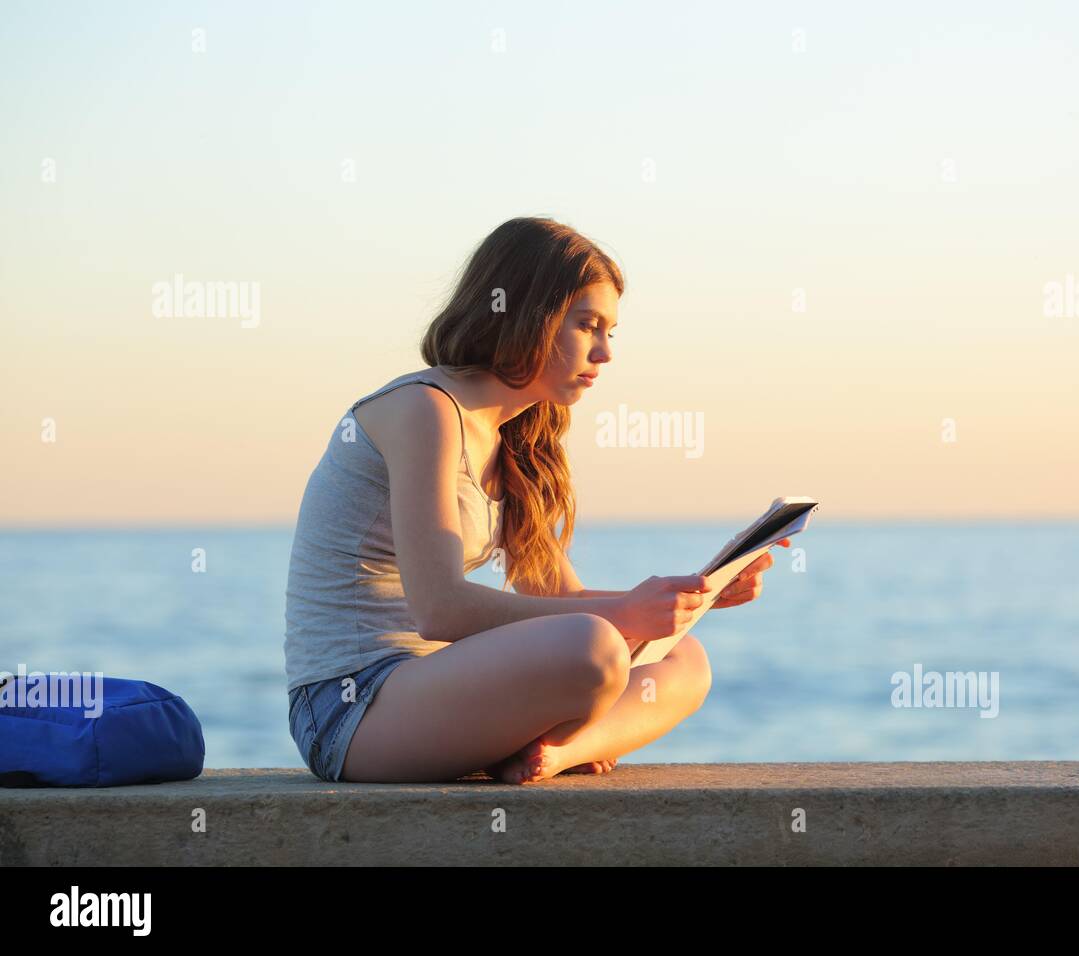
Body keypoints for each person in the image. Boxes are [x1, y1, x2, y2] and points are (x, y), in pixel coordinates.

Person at [284, 216, 784, 785]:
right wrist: (623, 614)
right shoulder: (425, 410)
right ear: (528, 315)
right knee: (594, 647)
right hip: (351, 709)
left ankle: (552, 754)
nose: (604, 353)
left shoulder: (517, 439)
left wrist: (688, 601)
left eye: (610, 331)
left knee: (685, 661)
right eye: (587, 325)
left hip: (442, 694)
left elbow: (557, 595)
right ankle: (542, 745)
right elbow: (440, 610)